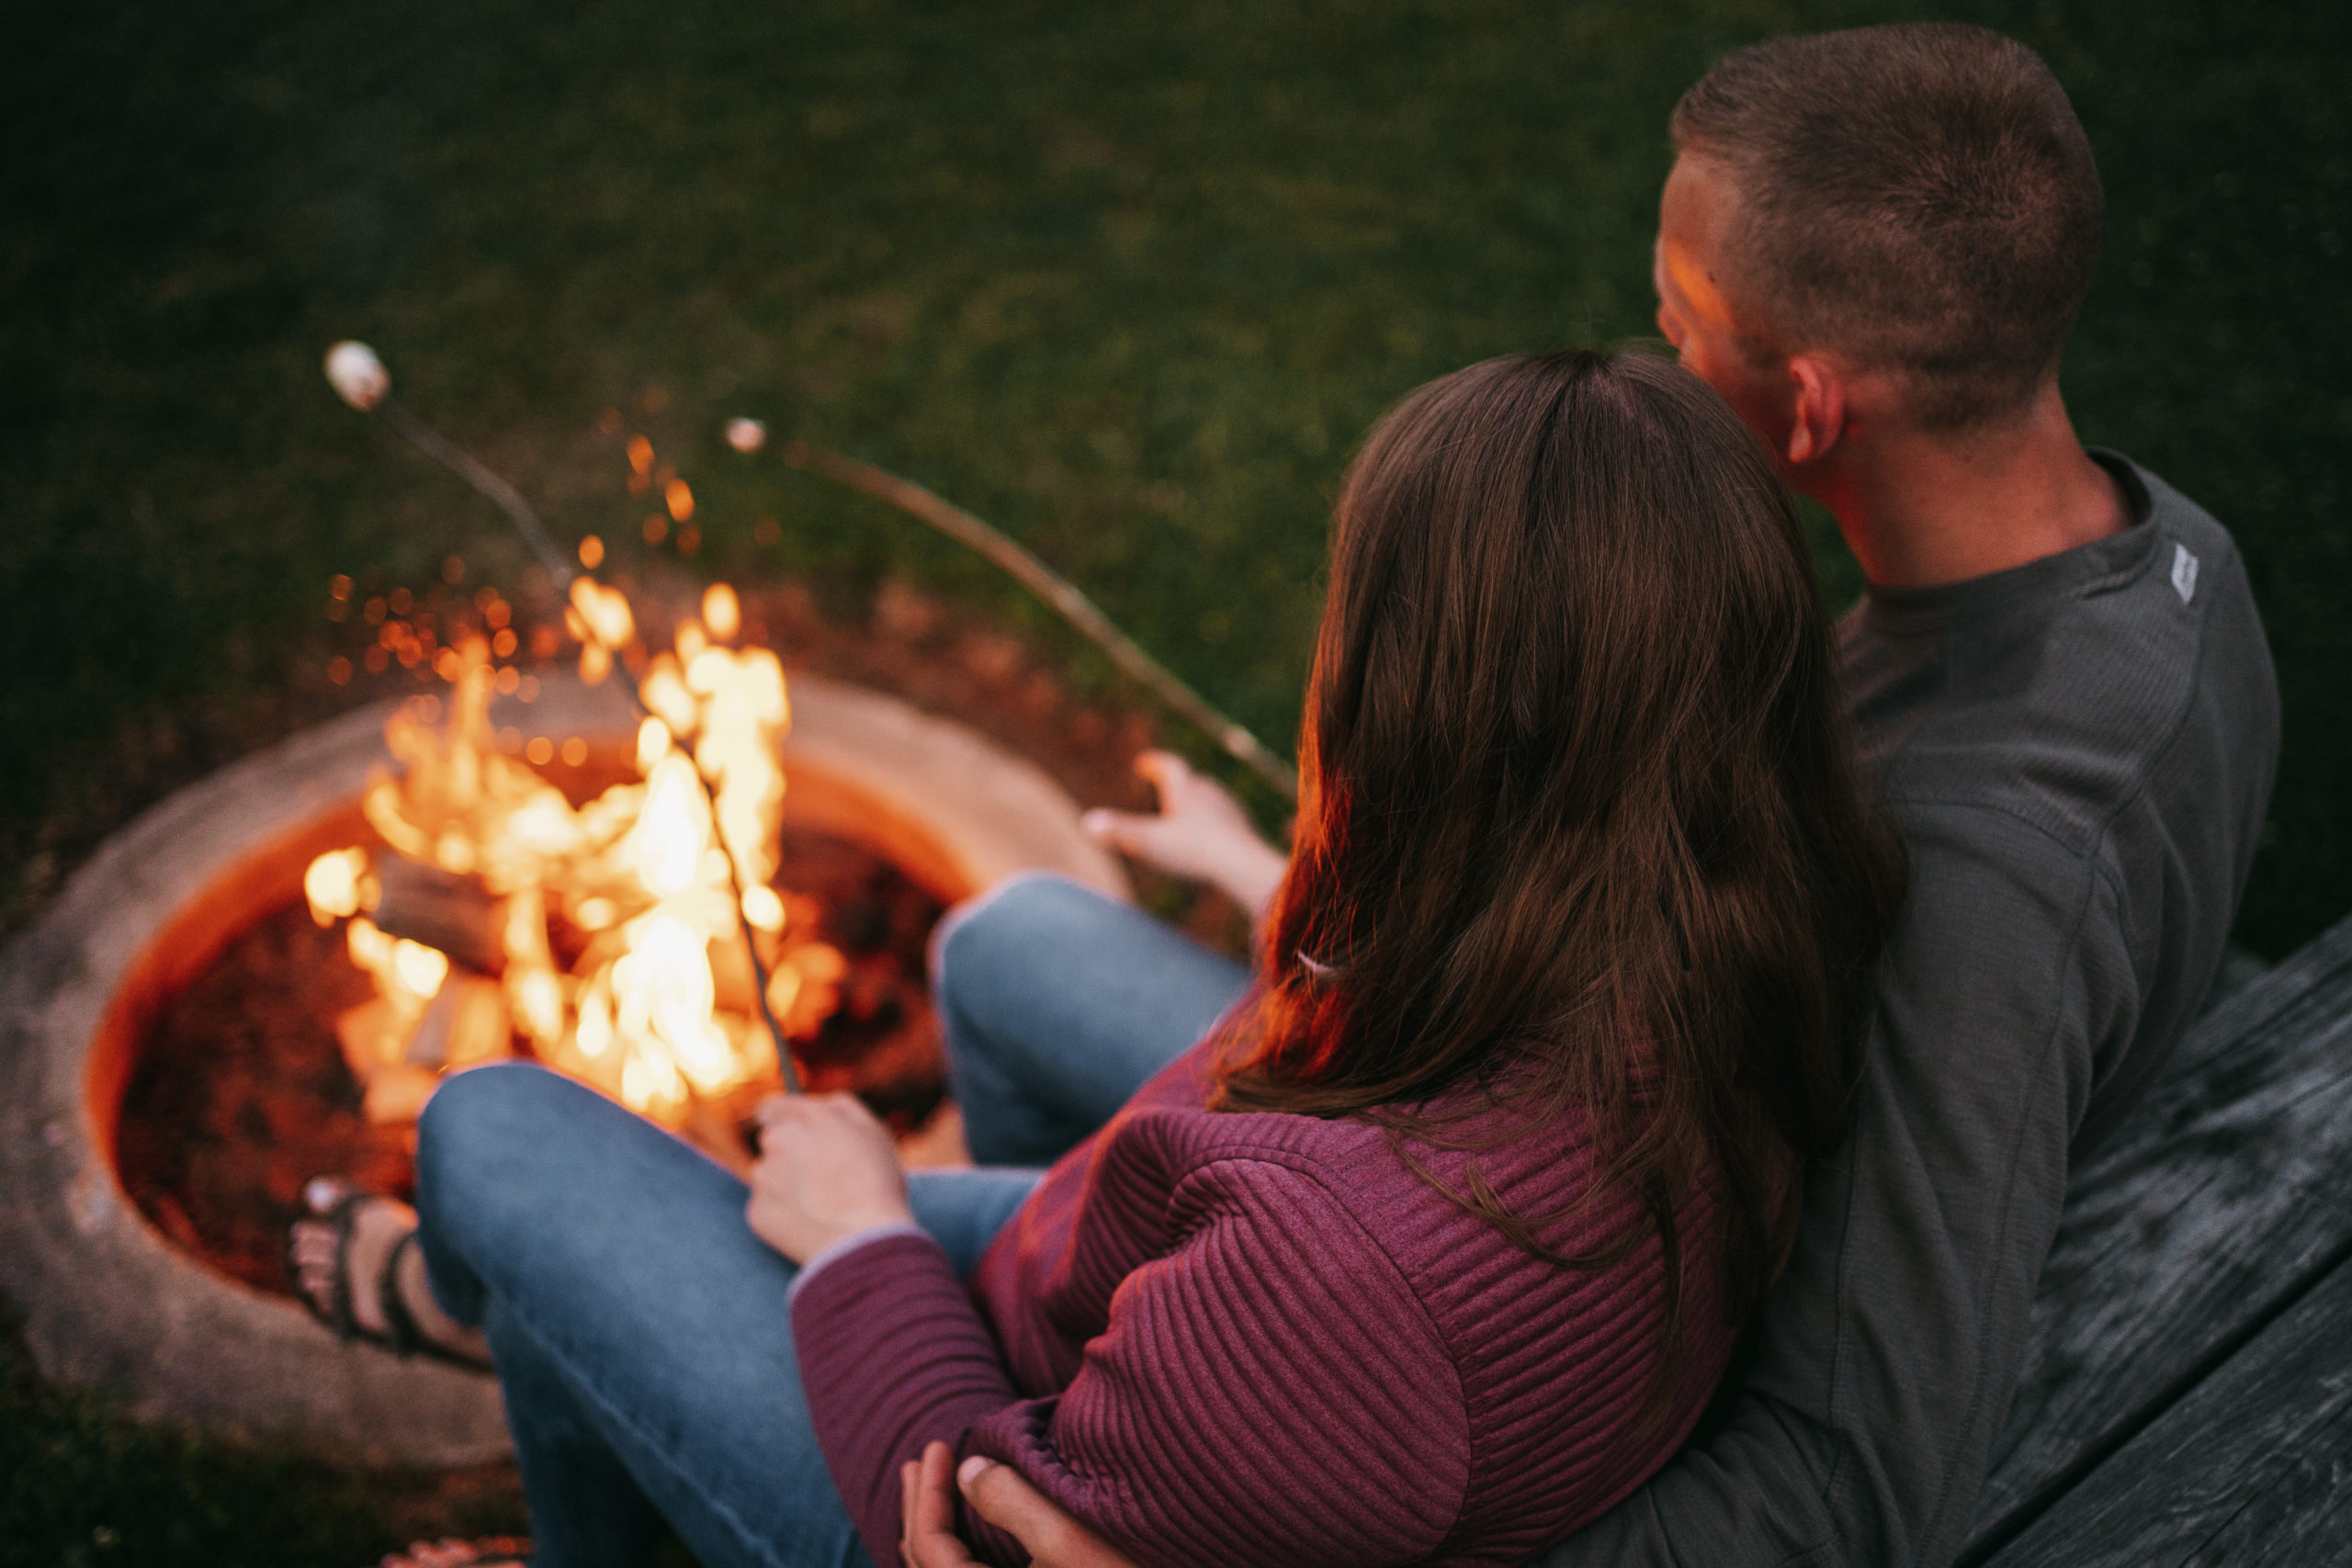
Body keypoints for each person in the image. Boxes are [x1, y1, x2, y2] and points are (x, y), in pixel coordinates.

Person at [904, 21, 2279, 1568]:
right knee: (1012, 942)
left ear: (1810, 408)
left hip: (1561, 1306)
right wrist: (1291, 884)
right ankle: (1085, 1358)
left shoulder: (1981, 890)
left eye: (1682, 324)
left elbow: (1846, 1498)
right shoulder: (2171, 556)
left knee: (876, 1224)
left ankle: (1064, 1399)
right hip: (1575, 1118)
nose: (1655, 357)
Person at [294, 347, 1908, 1568]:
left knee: (493, 1137)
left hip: (987, 1462)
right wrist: (1279, 888)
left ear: (1419, 711)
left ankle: (526, 1357)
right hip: (1163, 1333)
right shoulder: (1758, 928)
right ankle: (565, 1345)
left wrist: (864, 1246)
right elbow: (1512, 984)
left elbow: (978, 1519)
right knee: (1006, 939)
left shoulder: (1340, 1300)